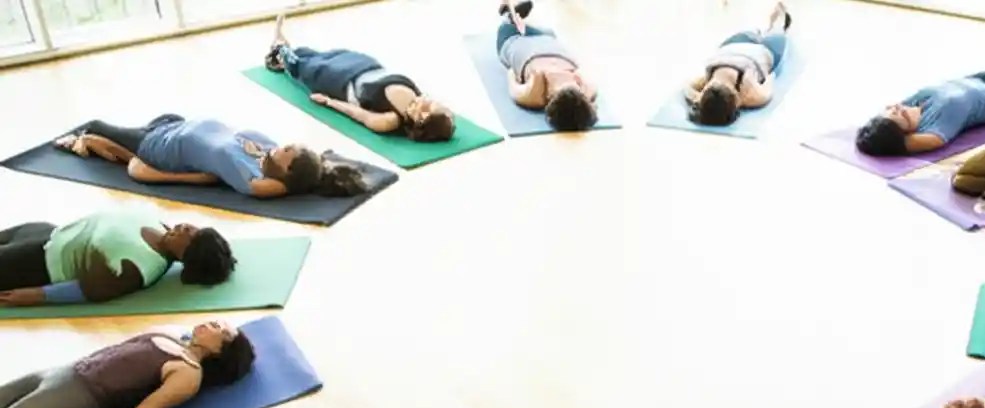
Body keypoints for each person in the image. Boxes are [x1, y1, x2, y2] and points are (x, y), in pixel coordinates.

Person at [0, 320, 255, 408]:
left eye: (221, 331)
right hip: (64, 371)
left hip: (80, 397)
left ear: (220, 352)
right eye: (217, 322)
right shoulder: (170, 334)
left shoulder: (188, 374)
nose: (213, 324)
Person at [53, 113, 367, 198]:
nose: (279, 146)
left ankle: (87, 142)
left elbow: (272, 188)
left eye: (285, 151)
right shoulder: (267, 150)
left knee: (95, 125)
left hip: (158, 148)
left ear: (284, 171)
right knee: (163, 115)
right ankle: (100, 146)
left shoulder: (251, 178)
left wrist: (295, 184)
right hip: (174, 125)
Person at [264, 13, 456, 142]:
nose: (429, 100)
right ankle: (284, 53)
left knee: (304, 65)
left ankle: (279, 50)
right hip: (363, 64)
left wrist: (329, 102)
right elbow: (446, 116)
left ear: (422, 118)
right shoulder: (416, 99)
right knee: (319, 55)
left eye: (430, 105)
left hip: (338, 80)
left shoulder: (390, 120)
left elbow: (357, 114)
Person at [0, 209, 235, 307]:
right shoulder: (161, 227)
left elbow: (91, 290)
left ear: (187, 255)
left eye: (191, 235)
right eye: (194, 228)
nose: (186, 226)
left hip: (38, 264)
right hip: (47, 234)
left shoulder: (139, 268)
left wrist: (36, 296)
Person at [857, 48, 985, 156]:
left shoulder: (910, 104)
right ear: (904, 133)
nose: (896, 107)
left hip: (976, 80)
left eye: (891, 108)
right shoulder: (933, 129)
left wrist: (877, 127)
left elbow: (877, 128)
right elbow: (904, 144)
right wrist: (888, 142)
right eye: (896, 113)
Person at [496, 1, 598, 132]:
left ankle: (509, 15)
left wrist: (525, 73)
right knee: (540, 28)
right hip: (544, 40)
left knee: (510, 25)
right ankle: (515, 16)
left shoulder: (534, 95)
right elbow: (511, 75)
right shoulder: (585, 91)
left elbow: (511, 76)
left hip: (516, 39)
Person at [686, 2, 792, 126]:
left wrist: (750, 99)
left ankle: (777, 19)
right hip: (735, 45)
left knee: (777, 30)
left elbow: (770, 79)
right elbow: (687, 89)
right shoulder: (707, 80)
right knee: (764, 27)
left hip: (760, 51)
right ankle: (775, 17)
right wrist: (697, 97)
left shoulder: (750, 94)